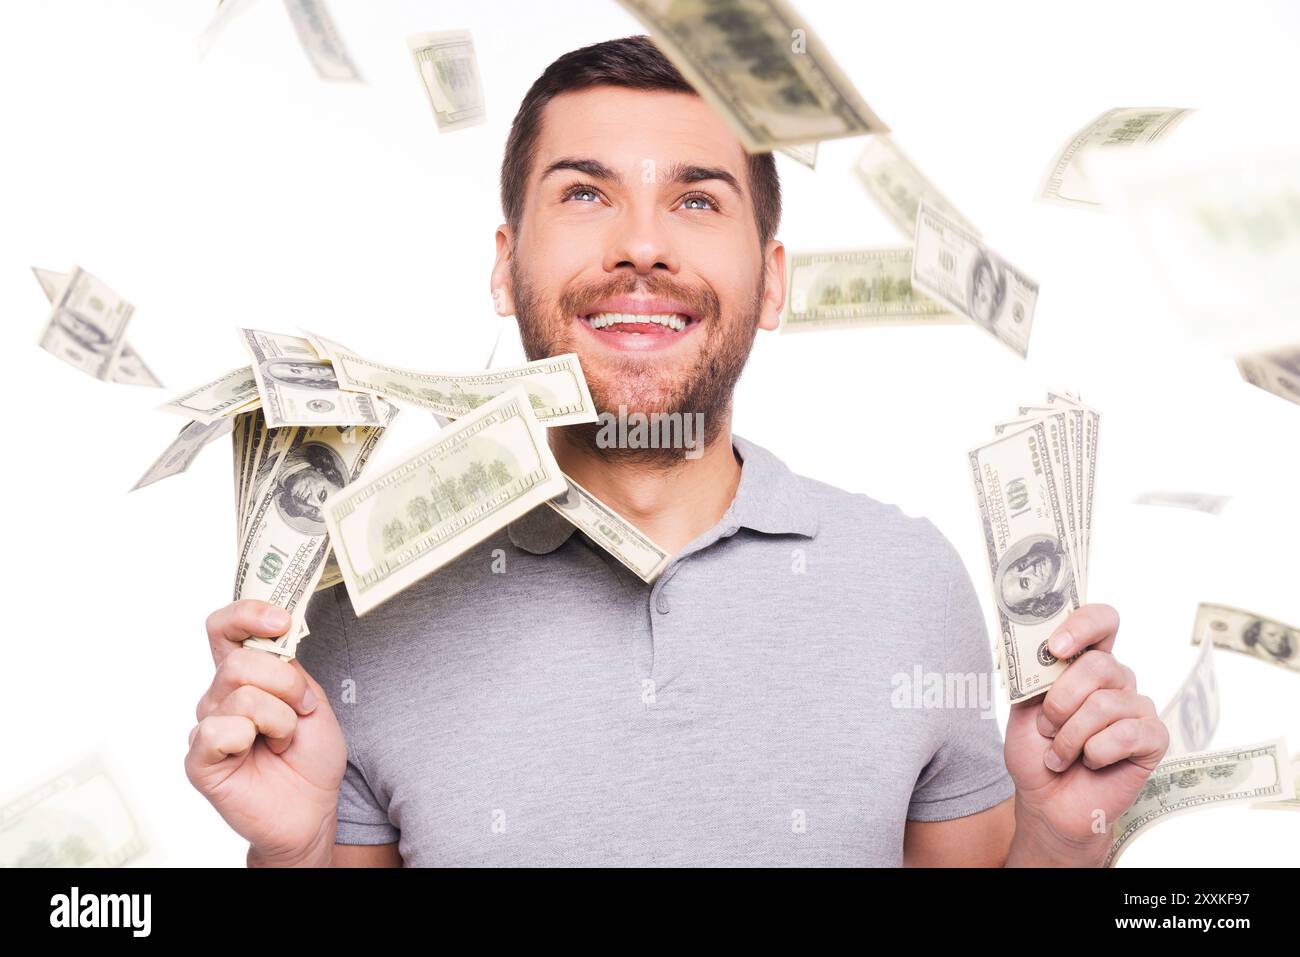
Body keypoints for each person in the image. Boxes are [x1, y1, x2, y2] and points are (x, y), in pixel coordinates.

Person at [185, 35, 1167, 867]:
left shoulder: (911, 582)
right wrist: (296, 854)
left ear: (771, 281)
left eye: (697, 201)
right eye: (584, 195)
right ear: (503, 264)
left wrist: (1057, 839)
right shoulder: (358, 611)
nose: (642, 245)